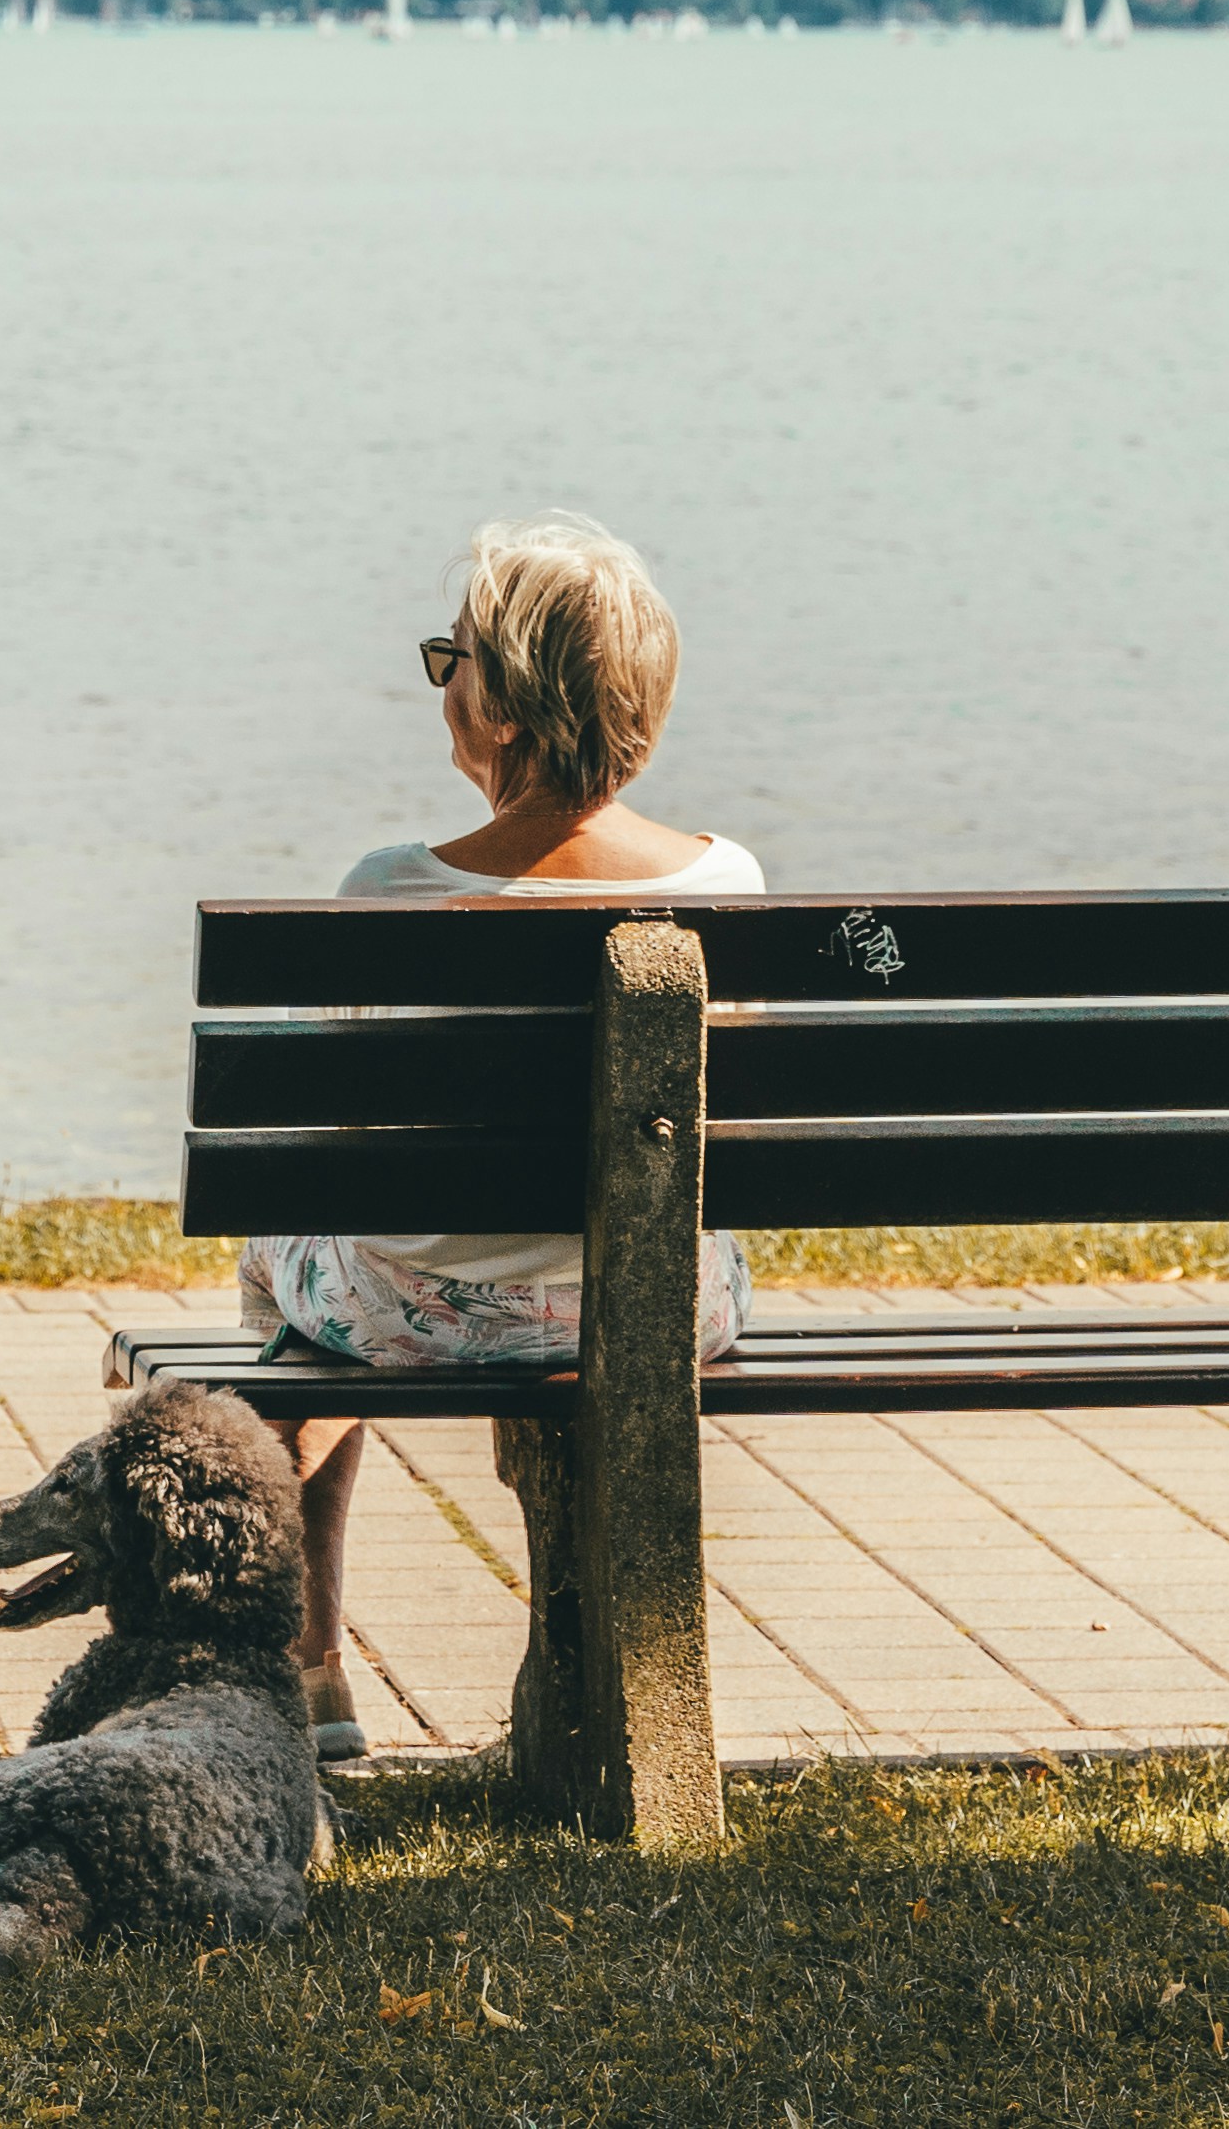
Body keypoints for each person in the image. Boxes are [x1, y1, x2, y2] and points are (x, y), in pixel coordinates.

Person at [241, 512, 764, 1763]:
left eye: (454, 658)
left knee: (282, 1250)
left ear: (512, 709)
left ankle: (309, 1666)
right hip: (661, 1305)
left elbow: (337, 1130)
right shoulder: (728, 883)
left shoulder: (390, 891)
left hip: (423, 1305)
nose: (444, 683)